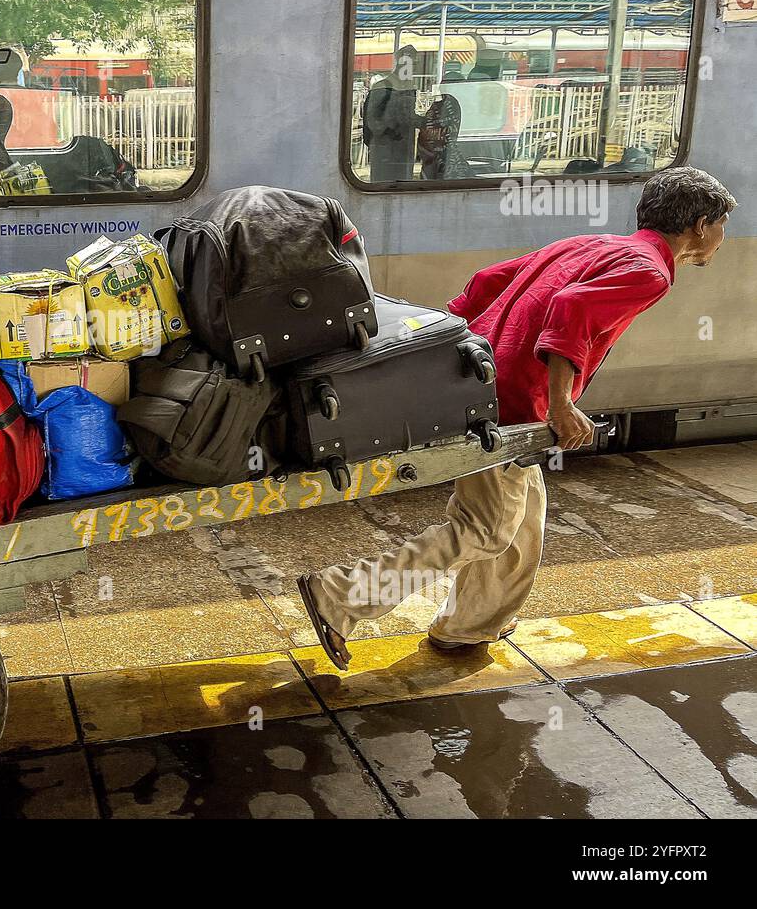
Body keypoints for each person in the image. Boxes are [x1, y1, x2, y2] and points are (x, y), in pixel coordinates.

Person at [296, 166, 736, 670]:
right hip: (507, 403)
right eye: (723, 225)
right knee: (484, 530)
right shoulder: (650, 272)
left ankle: (470, 625)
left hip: (482, 383)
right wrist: (563, 405)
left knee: (522, 522)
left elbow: (489, 281)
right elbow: (571, 313)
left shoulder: (591, 244)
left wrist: (442, 349)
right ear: (700, 224)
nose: (723, 239)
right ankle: (340, 595)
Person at [0, 48, 59, 173]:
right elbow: (49, 126)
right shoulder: (33, 94)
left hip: (4, 163)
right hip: (33, 159)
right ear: (18, 68)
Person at [361, 45, 422, 182]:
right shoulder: (383, 87)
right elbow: (372, 121)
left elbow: (408, 116)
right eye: (413, 63)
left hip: (404, 149)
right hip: (385, 150)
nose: (415, 67)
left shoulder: (408, 86)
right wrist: (390, 129)